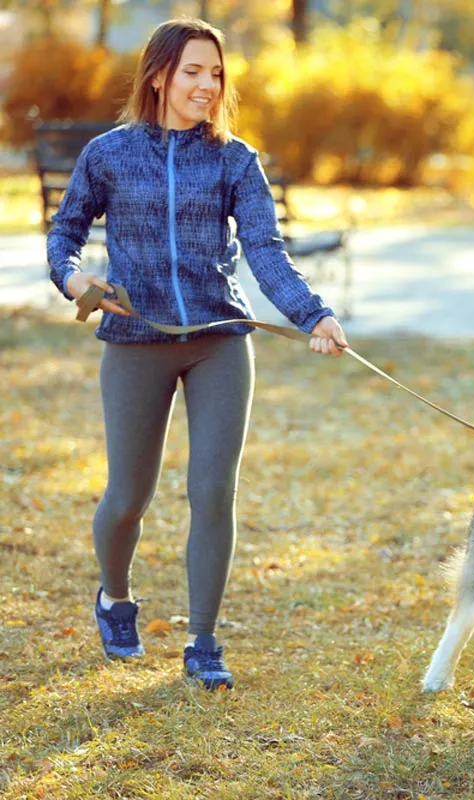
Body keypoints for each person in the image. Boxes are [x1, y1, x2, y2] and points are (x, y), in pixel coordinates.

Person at [46, 17, 348, 690]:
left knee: (213, 491)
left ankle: (203, 641)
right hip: (135, 339)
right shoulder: (110, 154)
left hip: (218, 340)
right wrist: (75, 280)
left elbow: (267, 253)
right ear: (158, 75)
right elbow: (64, 232)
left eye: (216, 74)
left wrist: (315, 314)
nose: (208, 85)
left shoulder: (235, 160)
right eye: (193, 71)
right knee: (129, 496)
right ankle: (115, 598)